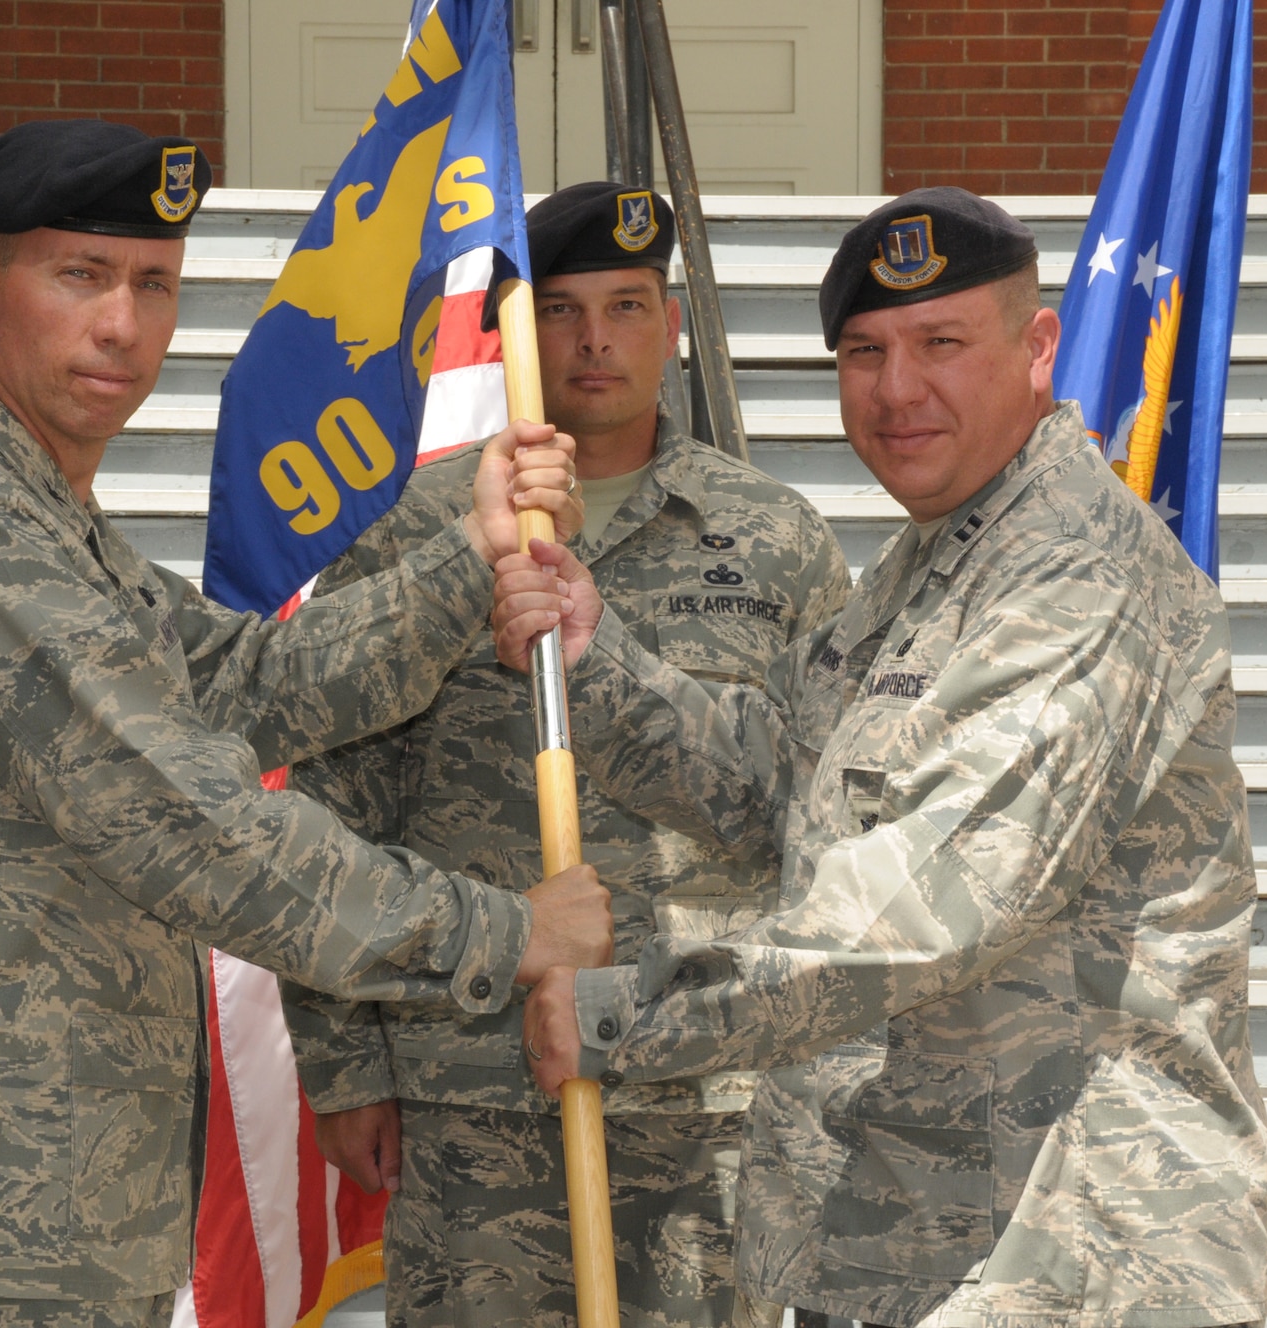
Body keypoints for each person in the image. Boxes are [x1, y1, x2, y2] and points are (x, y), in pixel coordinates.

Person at [0, 120, 611, 1328]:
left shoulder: (41, 519)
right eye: (78, 274)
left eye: (152, 282)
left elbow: (243, 680)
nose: (121, 324)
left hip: (47, 1206)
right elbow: (197, 826)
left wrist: (470, 555)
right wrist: (503, 931)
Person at [499, 188, 1267, 1328]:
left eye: (941, 343)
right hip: (910, 1244)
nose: (896, 389)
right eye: (863, 352)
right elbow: (787, 786)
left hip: (1068, 1254)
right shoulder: (931, 568)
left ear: (1038, 348)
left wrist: (626, 1013)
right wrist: (597, 654)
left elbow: (926, 903)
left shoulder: (1075, 577)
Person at [279, 181, 851, 1327]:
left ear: (672, 327)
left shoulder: (773, 538)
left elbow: (825, 813)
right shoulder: (430, 530)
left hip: (703, 1099)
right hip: (476, 1091)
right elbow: (330, 805)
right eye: (563, 311)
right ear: (515, 338)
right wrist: (343, 1063)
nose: (595, 341)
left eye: (628, 307)